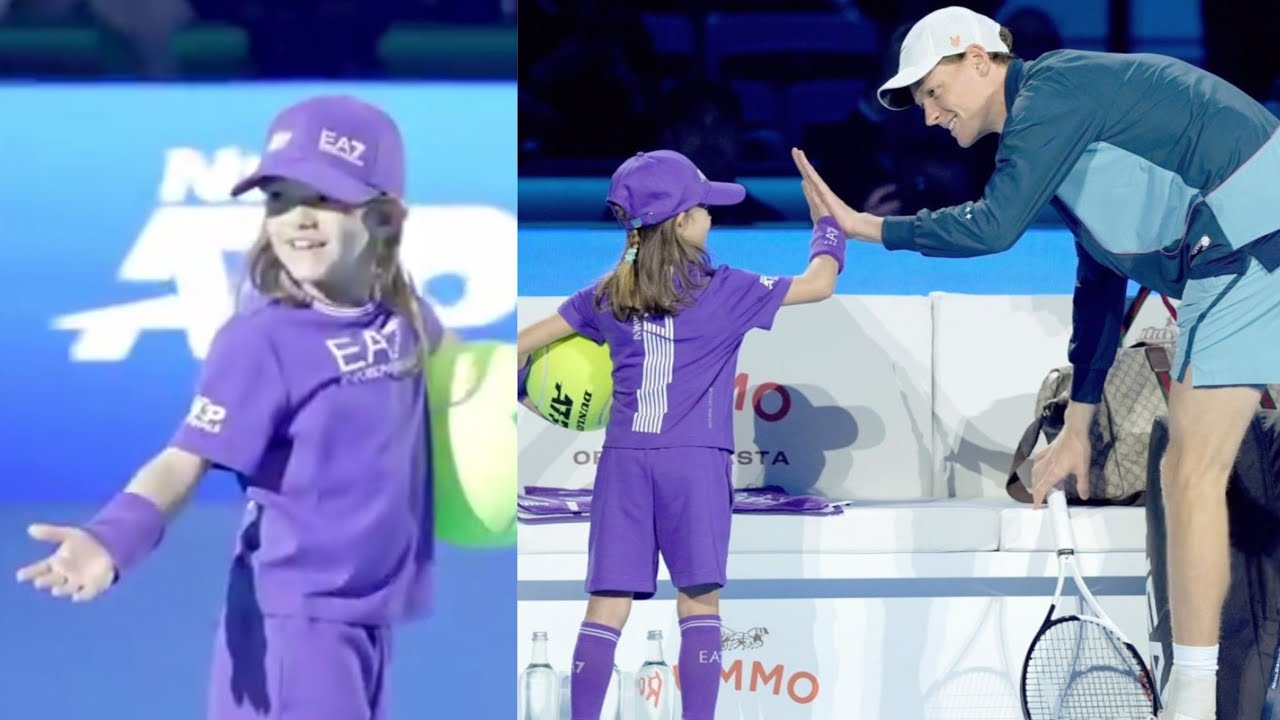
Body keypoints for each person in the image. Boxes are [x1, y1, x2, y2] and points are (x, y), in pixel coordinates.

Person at [792, 7, 1280, 719]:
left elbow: (993, 227)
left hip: (1249, 234)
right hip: (1248, 236)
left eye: (933, 92)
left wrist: (861, 225)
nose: (929, 117)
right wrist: (1079, 428)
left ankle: (1192, 700)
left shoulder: (1051, 94)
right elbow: (1101, 286)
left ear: (979, 59)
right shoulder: (1066, 136)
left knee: (1188, 467)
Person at [15, 95, 457, 720]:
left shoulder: (404, 321)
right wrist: (112, 539)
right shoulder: (260, 343)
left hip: (367, 617)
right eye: (279, 198)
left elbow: (470, 379)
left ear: (384, 218)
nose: (297, 218)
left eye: (323, 198)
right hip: (294, 626)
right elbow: (183, 460)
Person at [516, 149, 845, 719]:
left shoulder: (605, 295)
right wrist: (830, 229)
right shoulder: (727, 288)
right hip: (694, 463)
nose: (712, 217)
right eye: (705, 208)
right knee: (698, 605)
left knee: (606, 608)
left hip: (622, 463)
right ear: (684, 222)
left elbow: (520, 345)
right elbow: (819, 285)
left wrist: (527, 395)